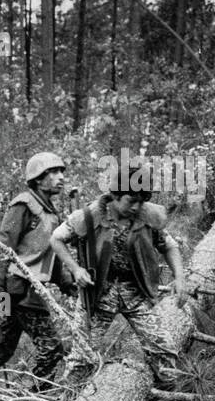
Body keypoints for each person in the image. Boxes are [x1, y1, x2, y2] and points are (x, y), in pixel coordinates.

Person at [50, 161, 189, 388]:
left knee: (163, 348)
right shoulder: (89, 216)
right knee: (81, 358)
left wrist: (180, 279)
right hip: (97, 295)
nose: (136, 207)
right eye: (131, 200)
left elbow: (170, 246)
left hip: (135, 292)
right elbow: (56, 238)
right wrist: (76, 269)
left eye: (141, 202)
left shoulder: (147, 217)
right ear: (115, 194)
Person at [0, 152, 73, 387]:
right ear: (38, 178)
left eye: (61, 172)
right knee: (52, 348)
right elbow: (2, 247)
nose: (60, 178)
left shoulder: (49, 212)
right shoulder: (23, 204)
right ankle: (34, 398)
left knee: (1, 348)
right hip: (17, 290)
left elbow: (50, 256)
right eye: (53, 173)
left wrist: (68, 284)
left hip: (24, 290)